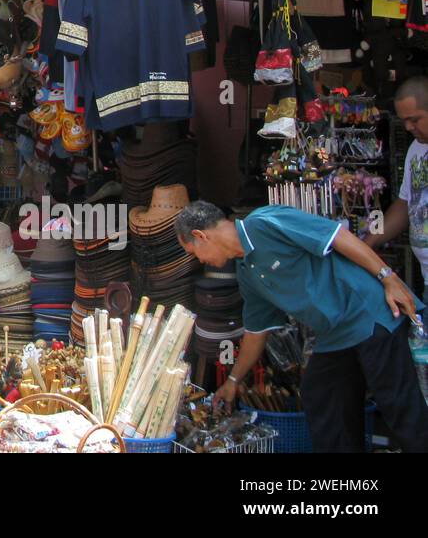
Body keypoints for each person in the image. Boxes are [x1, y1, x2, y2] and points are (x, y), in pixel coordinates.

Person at [176, 199, 428, 452]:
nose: (199, 260)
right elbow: (256, 332)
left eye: (193, 252)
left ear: (201, 235)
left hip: (369, 313)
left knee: (398, 405)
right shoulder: (247, 273)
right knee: (322, 395)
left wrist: (388, 278)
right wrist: (233, 380)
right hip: (335, 334)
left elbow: (338, 236)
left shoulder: (264, 222)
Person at [364, 76, 428, 286]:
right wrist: (367, 242)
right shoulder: (415, 149)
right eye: (404, 120)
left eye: (415, 119)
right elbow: (404, 205)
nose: (408, 127)